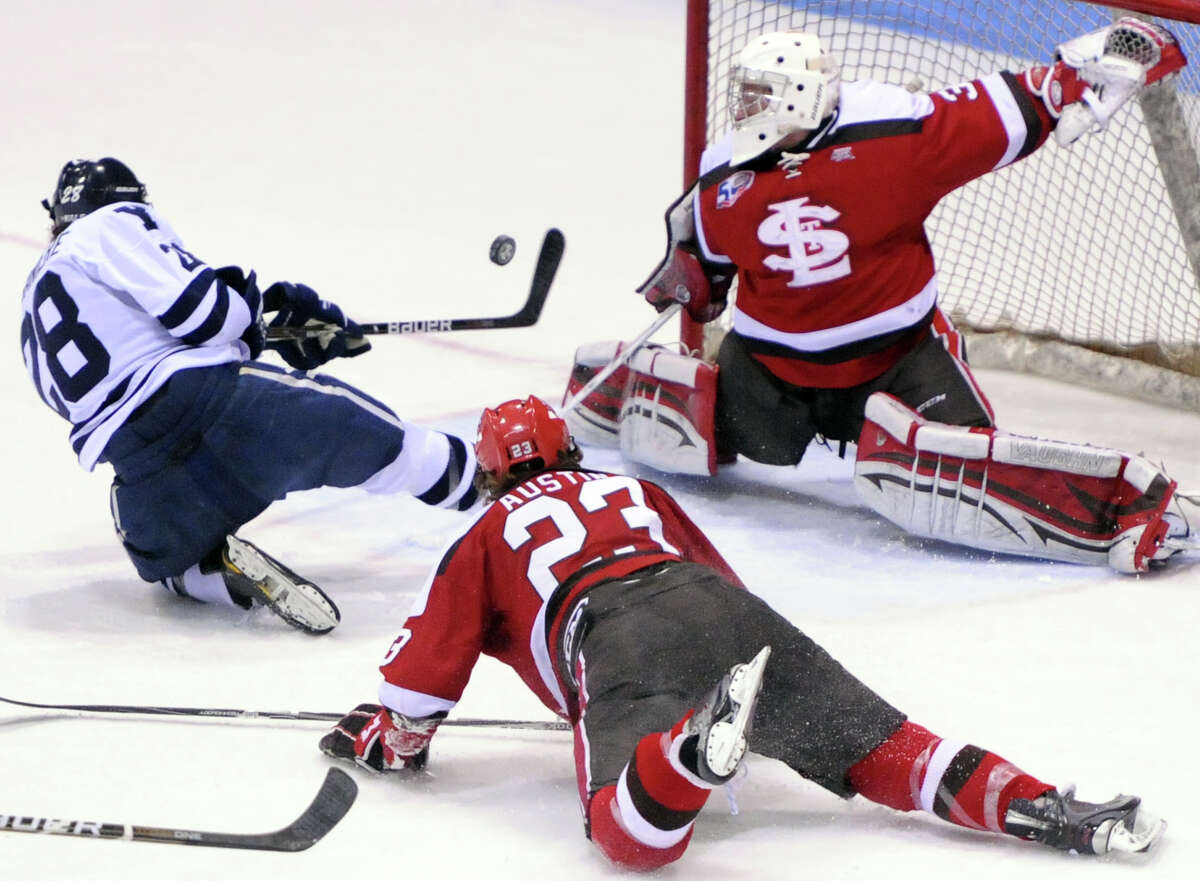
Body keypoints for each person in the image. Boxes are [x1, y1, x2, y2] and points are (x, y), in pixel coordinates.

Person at [320, 395, 1163, 869]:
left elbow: (422, 675)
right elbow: (723, 579)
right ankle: (1051, 807)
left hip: (615, 632)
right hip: (721, 609)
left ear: (498, 471)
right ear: (571, 449)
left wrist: (389, 736)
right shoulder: (631, 492)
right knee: (885, 749)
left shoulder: (487, 531)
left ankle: (688, 753)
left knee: (628, 838)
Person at [568, 19, 1191, 574]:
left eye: (760, 95)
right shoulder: (723, 174)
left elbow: (1017, 101)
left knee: (963, 460)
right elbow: (698, 265)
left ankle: (1115, 508)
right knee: (706, 434)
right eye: (744, 94)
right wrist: (688, 281)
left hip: (896, 362)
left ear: (801, 99)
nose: (744, 109)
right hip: (767, 371)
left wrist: (1090, 68)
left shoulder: (894, 134)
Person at [20, 158, 479, 635]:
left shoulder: (34, 295)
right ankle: (492, 490)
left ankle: (211, 576)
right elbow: (209, 314)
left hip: (143, 480)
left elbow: (123, 368)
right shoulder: (109, 225)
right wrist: (252, 318)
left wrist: (262, 329)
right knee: (381, 439)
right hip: (218, 412)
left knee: (168, 565)